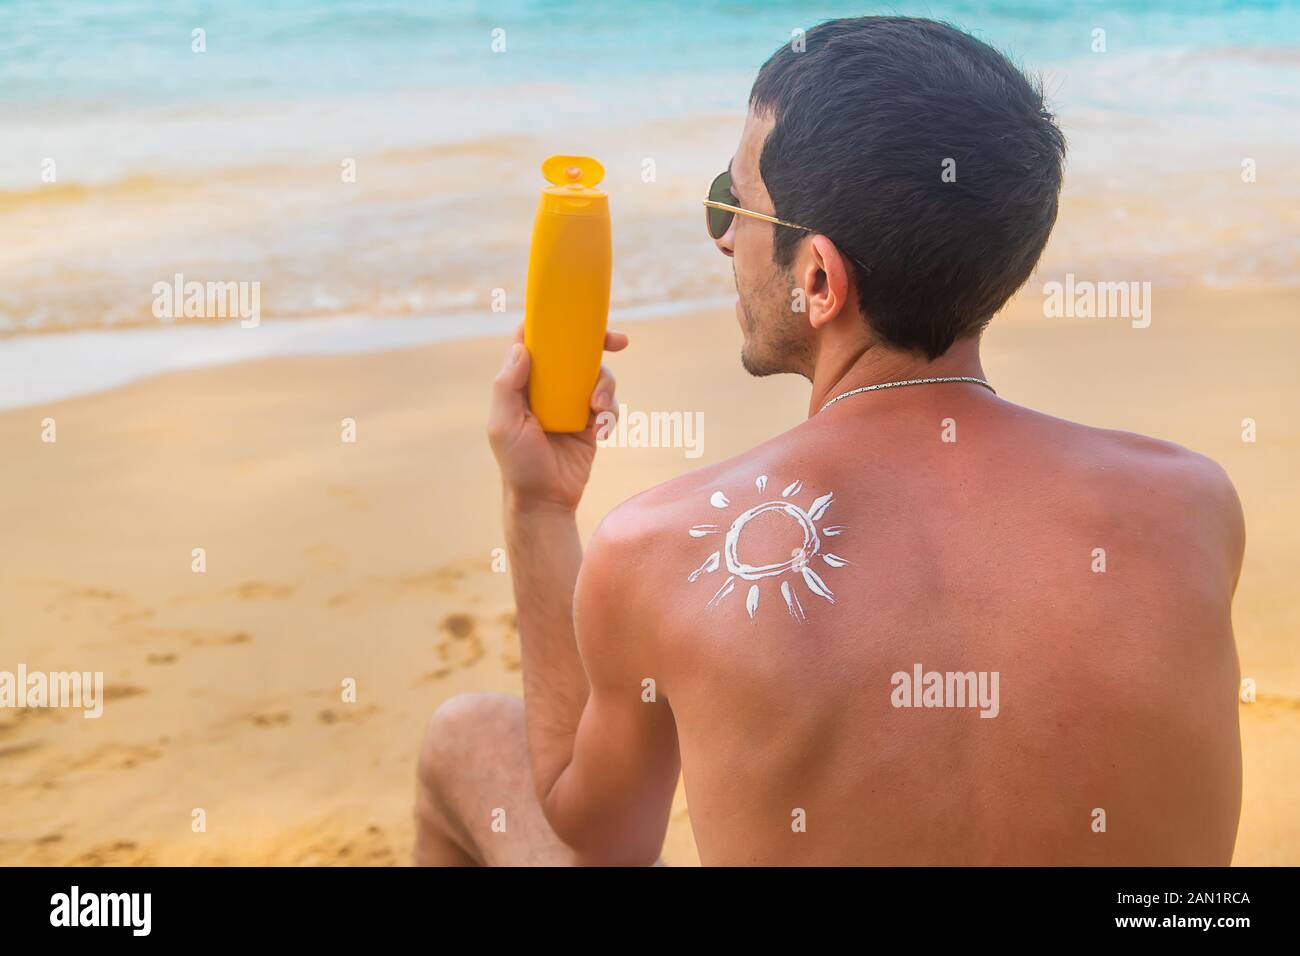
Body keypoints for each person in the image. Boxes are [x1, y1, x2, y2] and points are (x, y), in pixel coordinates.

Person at [414, 16, 1244, 866]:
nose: (723, 236)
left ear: (818, 277)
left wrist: (537, 504)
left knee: (464, 741)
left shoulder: (660, 550)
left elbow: (600, 835)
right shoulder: (1188, 505)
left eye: (729, 204)